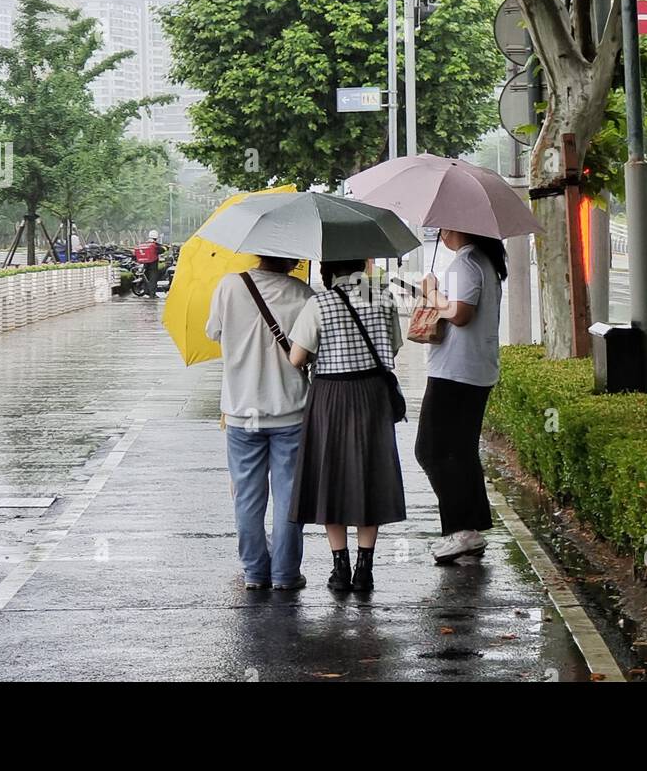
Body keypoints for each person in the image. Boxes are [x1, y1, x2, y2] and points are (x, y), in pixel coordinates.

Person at [288, 261, 405, 592]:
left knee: (330, 475)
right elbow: (393, 347)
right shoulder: (383, 298)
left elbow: (297, 358)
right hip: (373, 395)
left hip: (331, 396)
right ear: (362, 266)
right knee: (371, 474)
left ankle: (340, 568)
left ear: (328, 270)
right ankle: (365, 568)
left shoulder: (319, 303)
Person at [206, 256, 313, 591]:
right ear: (292, 257)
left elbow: (213, 332)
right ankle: (285, 574)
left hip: (241, 411)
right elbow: (310, 349)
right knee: (289, 497)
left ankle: (254, 571)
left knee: (247, 498)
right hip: (290, 410)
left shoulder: (228, 285)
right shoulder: (302, 294)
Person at [416, 230, 506, 565]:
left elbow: (461, 314)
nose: (440, 233)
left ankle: (461, 531)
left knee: (432, 451)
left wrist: (432, 293)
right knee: (460, 452)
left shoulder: (468, 262)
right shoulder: (482, 261)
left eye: (442, 227)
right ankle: (471, 529)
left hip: (456, 373)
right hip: (470, 370)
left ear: (456, 227)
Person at [141, 229, 166, 298]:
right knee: (153, 280)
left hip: (145, 264)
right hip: (153, 264)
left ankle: (146, 292)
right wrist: (165, 248)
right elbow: (161, 250)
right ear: (156, 237)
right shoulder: (155, 245)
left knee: (146, 278)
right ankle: (152, 294)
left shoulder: (145, 243)